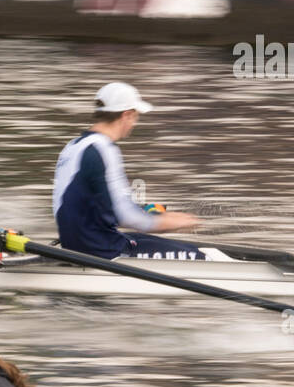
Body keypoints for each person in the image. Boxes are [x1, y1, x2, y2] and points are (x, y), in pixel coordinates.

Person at [53, 82, 203, 260]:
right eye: (135, 117)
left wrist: (146, 211)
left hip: (75, 245)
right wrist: (171, 221)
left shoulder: (72, 146)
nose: (134, 123)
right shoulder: (104, 149)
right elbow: (128, 217)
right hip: (103, 251)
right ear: (126, 115)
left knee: (164, 244)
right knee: (197, 254)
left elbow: (86, 205)